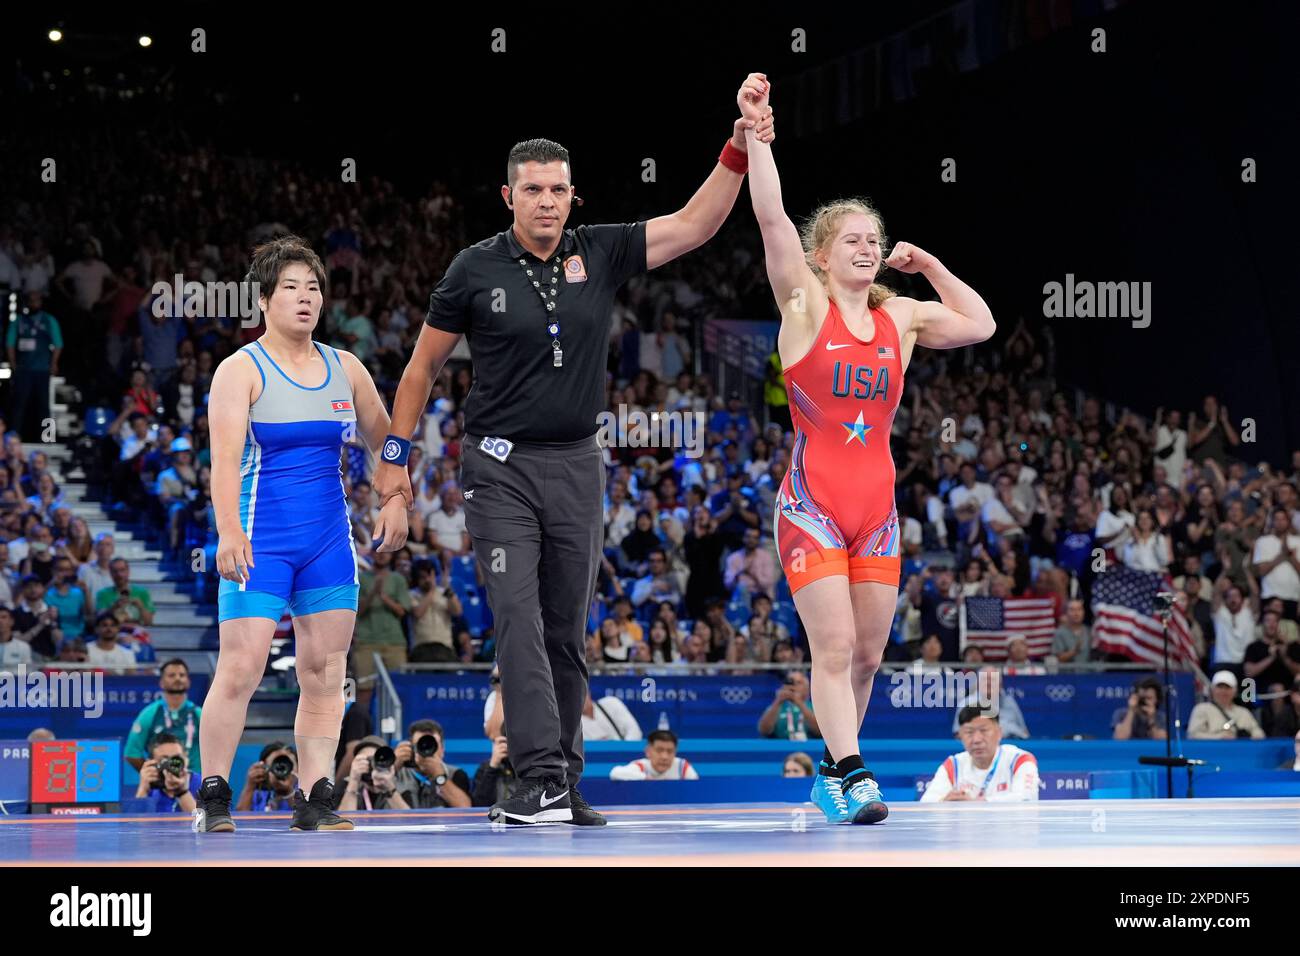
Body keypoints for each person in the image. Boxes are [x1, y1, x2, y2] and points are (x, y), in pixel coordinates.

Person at [371, 79, 775, 827]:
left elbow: (695, 223)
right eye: (534, 190)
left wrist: (739, 146)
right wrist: (395, 465)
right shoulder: (473, 269)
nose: (549, 201)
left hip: (579, 465)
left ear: (572, 194)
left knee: (565, 629)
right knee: (517, 618)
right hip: (498, 468)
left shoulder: (602, 248)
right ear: (508, 195)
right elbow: (421, 370)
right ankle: (535, 778)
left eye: (559, 189)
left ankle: (562, 780)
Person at [744, 78, 996, 825]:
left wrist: (932, 268)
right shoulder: (805, 303)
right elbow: (769, 220)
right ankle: (854, 771)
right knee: (833, 646)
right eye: (850, 239)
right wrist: (757, 136)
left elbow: (979, 323)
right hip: (814, 506)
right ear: (822, 256)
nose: (866, 248)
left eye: (873, 241)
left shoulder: (905, 317)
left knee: (866, 658)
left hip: (878, 514)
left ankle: (831, 773)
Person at [196, 236, 406, 833]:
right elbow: (224, 461)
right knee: (240, 668)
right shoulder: (241, 370)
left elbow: (387, 443)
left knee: (325, 669)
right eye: (290, 287)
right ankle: (213, 794)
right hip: (261, 540)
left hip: (327, 543)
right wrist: (229, 531)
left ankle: (316, 797)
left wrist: (395, 495)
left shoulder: (346, 368)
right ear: (264, 299)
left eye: (313, 287)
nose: (305, 298)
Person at [920, 706, 1039, 802]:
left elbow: (1026, 798)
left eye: (984, 730)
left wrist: (979, 804)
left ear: (999, 733)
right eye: (969, 732)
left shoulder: (1019, 760)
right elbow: (926, 804)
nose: (976, 739)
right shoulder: (953, 765)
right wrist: (944, 802)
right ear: (960, 736)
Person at [124, 658, 202, 771]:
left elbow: (215, 749)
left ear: (188, 681)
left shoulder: (198, 714)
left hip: (195, 783)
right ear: (161, 682)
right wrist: (155, 778)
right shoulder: (149, 714)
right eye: (171, 675)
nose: (177, 678)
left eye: (182, 675)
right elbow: (132, 753)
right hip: (162, 784)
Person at [393, 719, 473, 808]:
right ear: (411, 748)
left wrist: (439, 776)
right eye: (420, 744)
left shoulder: (456, 774)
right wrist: (393, 766)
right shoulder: (398, 773)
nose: (426, 750)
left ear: (442, 749)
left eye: (431, 744)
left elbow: (465, 808)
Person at [1187, 671, 1266, 739]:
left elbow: (1258, 733)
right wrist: (1219, 737)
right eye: (1220, 687)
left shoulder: (1243, 712)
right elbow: (1193, 735)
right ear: (1212, 689)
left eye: (1227, 687)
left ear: (1235, 690)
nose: (1223, 691)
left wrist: (1254, 736)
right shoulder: (1201, 709)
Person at [135, 733, 201, 814]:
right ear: (151, 763)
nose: (171, 765)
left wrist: (182, 792)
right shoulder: (151, 788)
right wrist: (143, 789)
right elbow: (135, 824)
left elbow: (202, 824)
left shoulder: (201, 785)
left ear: (186, 759)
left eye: (177, 759)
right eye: (164, 761)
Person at [338, 736, 408, 811]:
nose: (371, 765)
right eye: (366, 760)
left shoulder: (403, 786)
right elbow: (344, 821)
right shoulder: (344, 786)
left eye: (375, 759)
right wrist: (354, 782)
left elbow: (410, 820)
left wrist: (389, 789)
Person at [609, 730, 699, 780]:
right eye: (659, 750)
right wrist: (645, 778)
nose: (665, 756)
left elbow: (696, 787)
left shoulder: (682, 767)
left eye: (670, 751)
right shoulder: (641, 766)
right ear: (648, 751)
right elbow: (615, 773)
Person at [235, 742, 299, 812]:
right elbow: (241, 818)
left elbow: (307, 817)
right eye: (276, 763)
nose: (282, 768)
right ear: (264, 769)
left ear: (298, 768)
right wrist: (250, 785)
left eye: (288, 764)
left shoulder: (306, 792)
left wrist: (289, 793)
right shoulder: (259, 794)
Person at [757, 671, 820, 740]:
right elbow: (764, 731)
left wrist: (799, 703)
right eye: (790, 682)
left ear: (807, 689)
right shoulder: (776, 707)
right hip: (782, 747)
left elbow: (819, 731)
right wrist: (778, 701)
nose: (794, 685)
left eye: (799, 683)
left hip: (810, 748)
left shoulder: (814, 707)